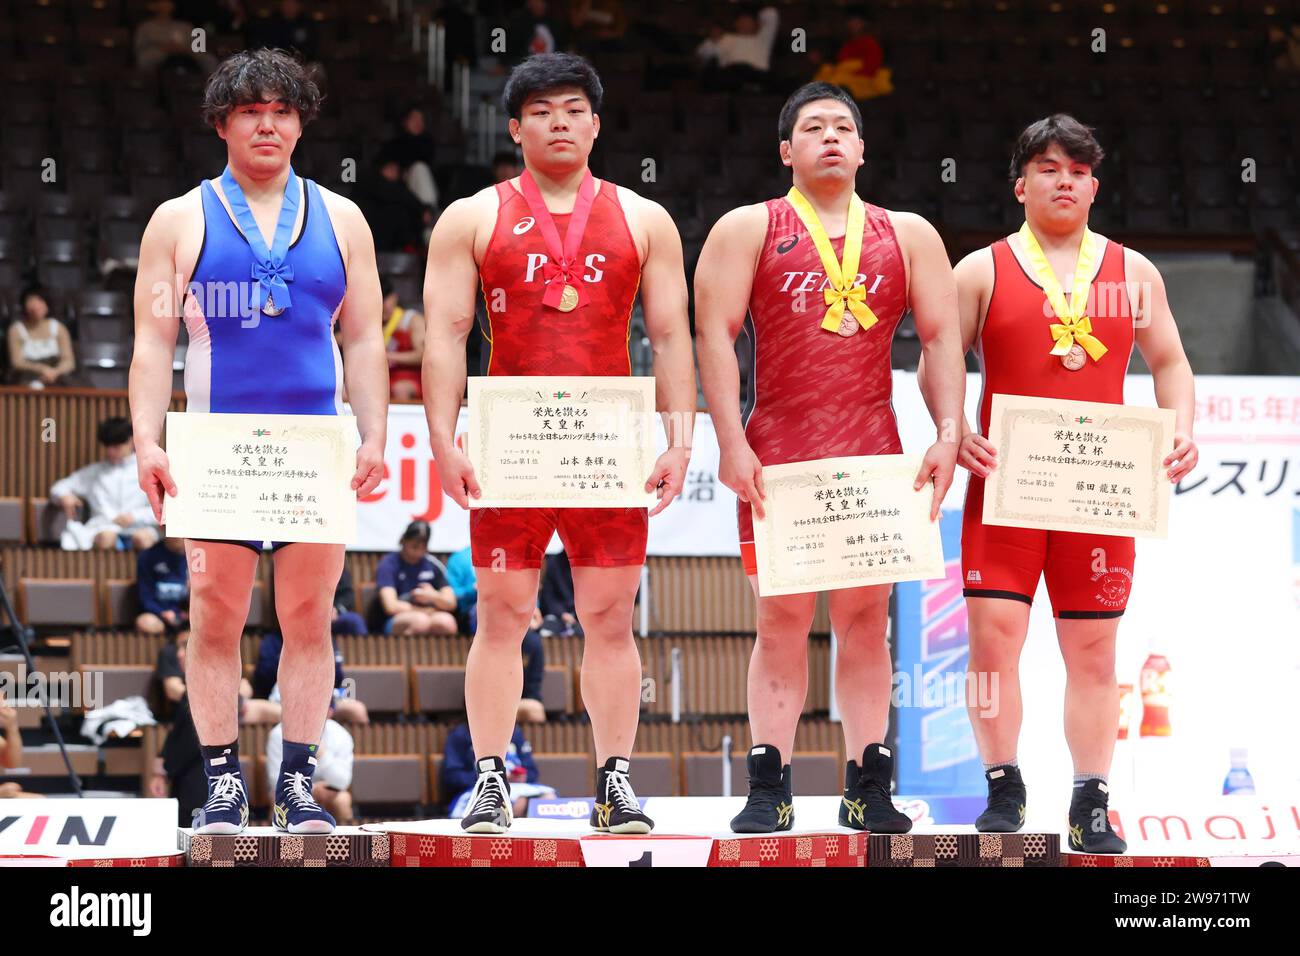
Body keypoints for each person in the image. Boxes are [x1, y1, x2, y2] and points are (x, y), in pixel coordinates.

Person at [421, 52, 694, 834]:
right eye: (541, 111)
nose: (560, 122)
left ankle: (614, 781)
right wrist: (442, 437)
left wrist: (678, 439)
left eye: (574, 108)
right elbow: (445, 333)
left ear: (597, 124)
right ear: (515, 128)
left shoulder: (645, 219)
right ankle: (490, 778)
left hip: (606, 450)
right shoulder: (472, 216)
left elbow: (671, 336)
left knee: (609, 617)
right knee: (502, 615)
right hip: (510, 448)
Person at [694, 82, 966, 834]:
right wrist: (730, 441)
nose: (831, 137)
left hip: (875, 453)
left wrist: (947, 432)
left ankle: (866, 784)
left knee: (865, 623)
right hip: (778, 454)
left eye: (844, 126)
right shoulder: (748, 227)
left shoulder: (908, 232)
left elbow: (942, 339)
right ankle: (768, 783)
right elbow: (712, 335)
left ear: (863, 148)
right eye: (813, 127)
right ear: (787, 150)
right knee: (779, 624)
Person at [129, 48, 387, 835]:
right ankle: (221, 784)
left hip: (313, 448)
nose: (267, 124)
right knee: (213, 616)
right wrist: (147, 441)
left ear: (302, 122)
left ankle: (299, 785)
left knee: (310, 617)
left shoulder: (343, 218)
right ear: (222, 124)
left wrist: (373, 433)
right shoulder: (179, 218)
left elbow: (367, 340)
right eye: (250, 111)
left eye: (282, 110)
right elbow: (150, 342)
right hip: (216, 449)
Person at [952, 115, 1198, 854]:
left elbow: (1172, 365)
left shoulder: (1134, 272)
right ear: (1020, 184)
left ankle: (1092, 800)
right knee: (991, 644)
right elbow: (939, 356)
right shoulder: (982, 269)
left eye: (1079, 170)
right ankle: (1003, 785)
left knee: (1094, 652)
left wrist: (1180, 425)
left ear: (1094, 185)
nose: (1065, 180)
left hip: (1098, 491)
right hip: (1005, 488)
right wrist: (951, 425)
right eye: (1049, 168)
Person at [445, 546, 548, 723]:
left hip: (515, 612)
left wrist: (534, 608)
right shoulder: (461, 558)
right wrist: (475, 589)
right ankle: (483, 698)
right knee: (491, 627)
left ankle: (528, 693)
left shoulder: (517, 554)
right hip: (477, 610)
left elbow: (527, 587)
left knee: (533, 641)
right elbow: (453, 595)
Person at [50, 417, 159, 551]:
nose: (111, 452)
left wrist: (135, 516)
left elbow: (161, 507)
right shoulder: (95, 472)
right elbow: (59, 487)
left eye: (117, 447)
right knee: (107, 538)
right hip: (103, 527)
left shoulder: (147, 470)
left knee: (143, 539)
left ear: (131, 441)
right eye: (108, 447)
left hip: (140, 526)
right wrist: (64, 496)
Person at [153, 628, 281, 725]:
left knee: (273, 711)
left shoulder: (216, 651)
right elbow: (173, 690)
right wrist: (215, 702)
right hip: (192, 710)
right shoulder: (172, 653)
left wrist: (234, 701)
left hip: (228, 708)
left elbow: (245, 686)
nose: (180, 654)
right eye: (182, 645)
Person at [442, 721, 554, 819]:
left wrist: (521, 777)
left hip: (519, 787)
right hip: (479, 788)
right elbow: (452, 777)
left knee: (548, 799)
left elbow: (532, 771)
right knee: (514, 803)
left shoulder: (515, 731)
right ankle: (504, 841)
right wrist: (490, 777)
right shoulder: (460, 734)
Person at [369, 520, 458, 635]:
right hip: (394, 618)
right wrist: (425, 611)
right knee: (420, 622)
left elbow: (451, 603)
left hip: (430, 612)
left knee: (447, 623)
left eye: (423, 545)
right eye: (415, 545)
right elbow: (390, 606)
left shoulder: (433, 564)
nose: (418, 550)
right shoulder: (388, 564)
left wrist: (433, 597)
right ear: (404, 540)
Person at [266, 718, 353, 824]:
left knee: (342, 800)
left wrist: (321, 753)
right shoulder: (278, 733)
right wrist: (311, 788)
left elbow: (342, 781)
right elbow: (275, 780)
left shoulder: (341, 734)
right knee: (276, 798)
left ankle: (342, 840)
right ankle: (279, 836)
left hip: (328, 790)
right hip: (291, 788)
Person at [696, 5, 780, 92]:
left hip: (757, 76)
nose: (744, 23)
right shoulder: (725, 38)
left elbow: (771, 14)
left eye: (748, 20)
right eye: (741, 20)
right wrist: (714, 40)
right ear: (735, 23)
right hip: (731, 78)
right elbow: (703, 53)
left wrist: (754, 9)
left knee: (774, 79)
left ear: (756, 22)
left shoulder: (762, 39)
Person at [6, 286, 76, 388]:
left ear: (47, 304)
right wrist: (41, 368)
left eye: (40, 300)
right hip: (25, 381)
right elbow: (17, 362)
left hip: (56, 380)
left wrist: (55, 372)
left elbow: (69, 361)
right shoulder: (16, 330)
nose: (35, 306)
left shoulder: (59, 328)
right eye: (31, 301)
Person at [381, 277, 426, 401]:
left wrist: (389, 357)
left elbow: (423, 355)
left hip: (409, 378)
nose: (383, 306)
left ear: (394, 297)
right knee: (347, 390)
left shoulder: (412, 320)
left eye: (385, 300)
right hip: (380, 378)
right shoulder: (371, 323)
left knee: (401, 389)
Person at [135, 536, 190, 636]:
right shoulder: (148, 556)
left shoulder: (197, 555)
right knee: (145, 622)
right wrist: (163, 613)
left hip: (189, 617)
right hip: (160, 616)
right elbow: (145, 597)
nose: (178, 536)